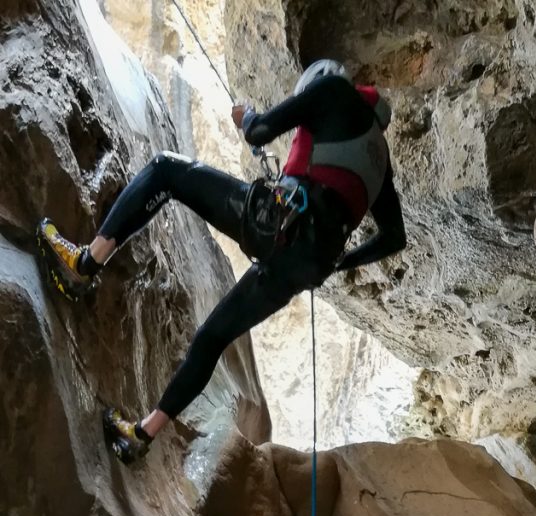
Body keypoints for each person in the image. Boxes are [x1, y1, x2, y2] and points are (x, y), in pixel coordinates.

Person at [36, 59, 407, 464]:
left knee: (166, 170)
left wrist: (245, 116)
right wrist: (339, 264)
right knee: (212, 338)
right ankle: (141, 435)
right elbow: (394, 238)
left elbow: (261, 129)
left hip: (274, 221)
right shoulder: (378, 160)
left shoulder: (333, 91)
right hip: (304, 268)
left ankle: (85, 264)